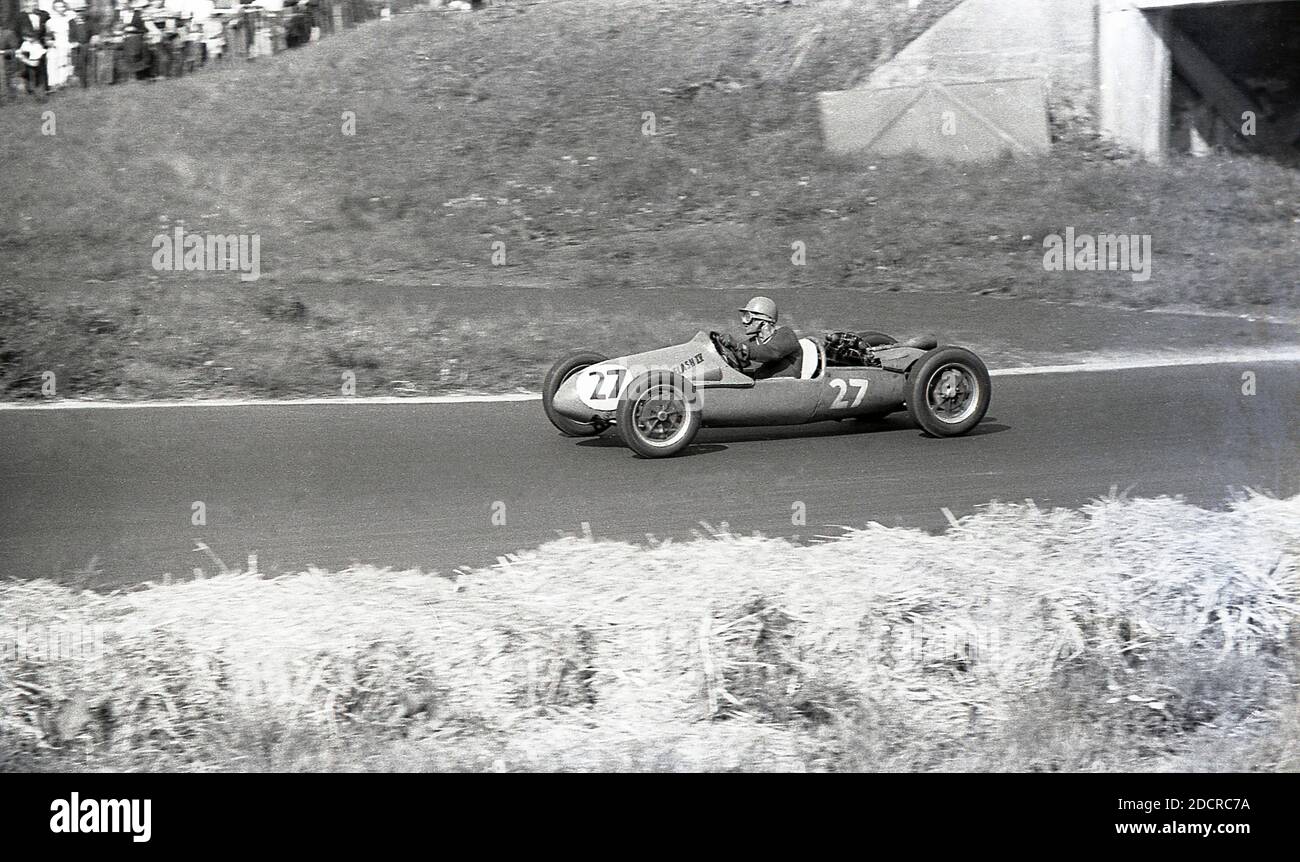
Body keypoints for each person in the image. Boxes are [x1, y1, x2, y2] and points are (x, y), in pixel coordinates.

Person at [719, 296, 802, 380]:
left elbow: (771, 352)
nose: (744, 322)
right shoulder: (752, 343)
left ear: (763, 320)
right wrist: (726, 351)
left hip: (787, 386)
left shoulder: (786, 334)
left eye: (748, 317)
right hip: (763, 386)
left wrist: (738, 347)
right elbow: (742, 364)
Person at [45, 0, 72, 89]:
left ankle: (63, 82)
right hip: (55, 43)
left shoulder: (68, 19)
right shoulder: (50, 22)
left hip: (66, 42)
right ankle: (53, 83)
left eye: (62, 7)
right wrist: (50, 42)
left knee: (64, 62)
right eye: (57, 7)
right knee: (52, 60)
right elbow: (48, 35)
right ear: (54, 8)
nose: (60, 9)